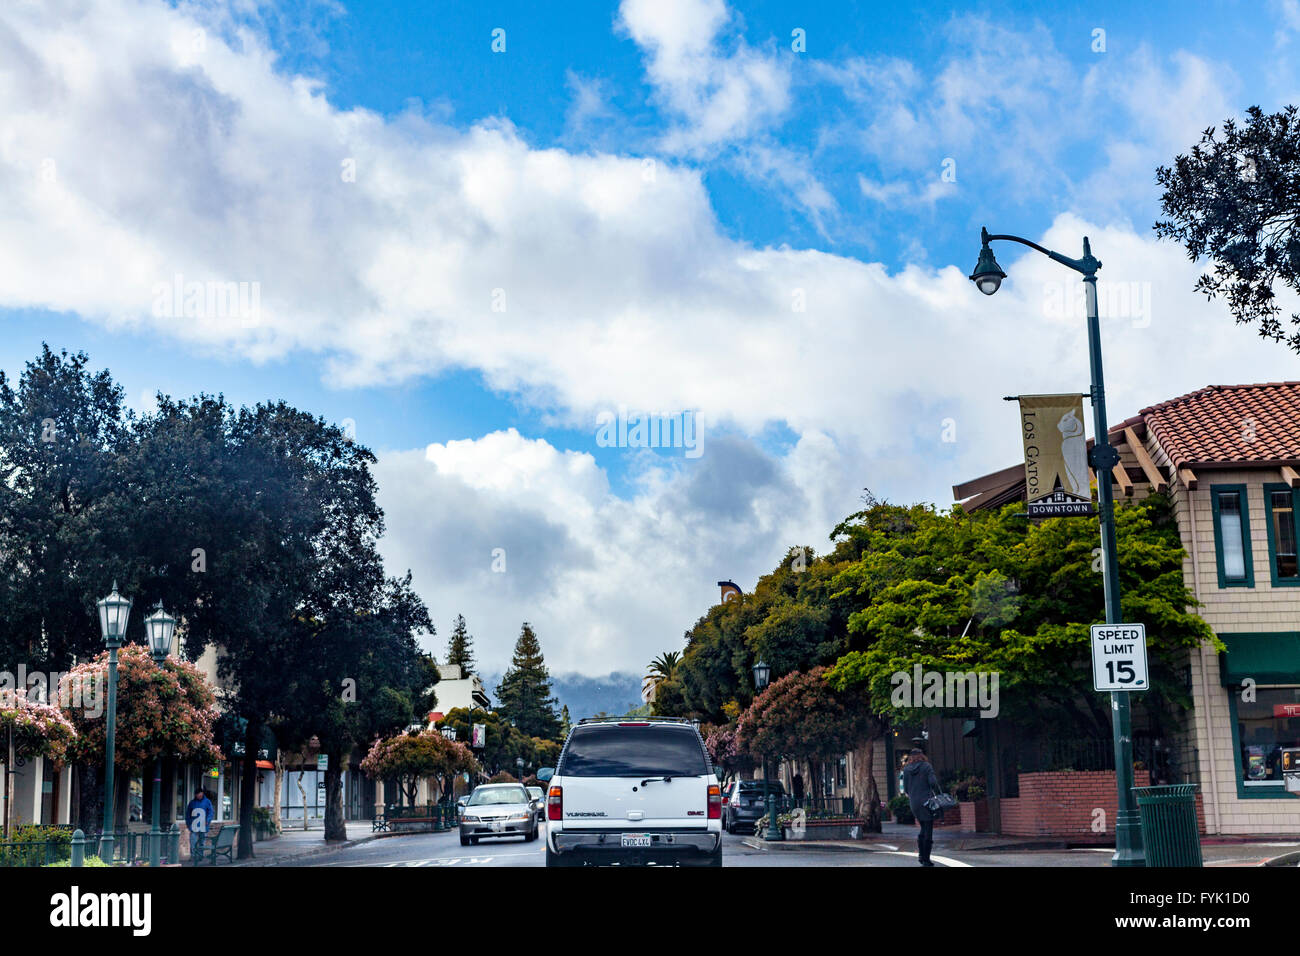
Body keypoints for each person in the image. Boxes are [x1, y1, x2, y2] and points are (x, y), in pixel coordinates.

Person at [902, 749, 940, 867]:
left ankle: (921, 855)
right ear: (922, 755)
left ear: (911, 757)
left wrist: (913, 794)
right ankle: (926, 859)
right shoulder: (926, 767)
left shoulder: (906, 769)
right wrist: (938, 793)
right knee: (928, 828)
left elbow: (906, 788)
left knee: (923, 827)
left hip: (914, 803)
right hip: (926, 801)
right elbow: (933, 782)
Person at [185, 787, 214, 865]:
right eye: (197, 795)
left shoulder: (207, 802)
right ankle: (193, 856)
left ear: (202, 793)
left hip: (203, 826)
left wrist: (207, 821)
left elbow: (211, 812)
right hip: (194, 826)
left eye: (200, 794)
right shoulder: (192, 803)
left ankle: (200, 856)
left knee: (202, 842)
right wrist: (188, 824)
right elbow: (188, 814)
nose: (199, 796)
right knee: (193, 841)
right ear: (195, 795)